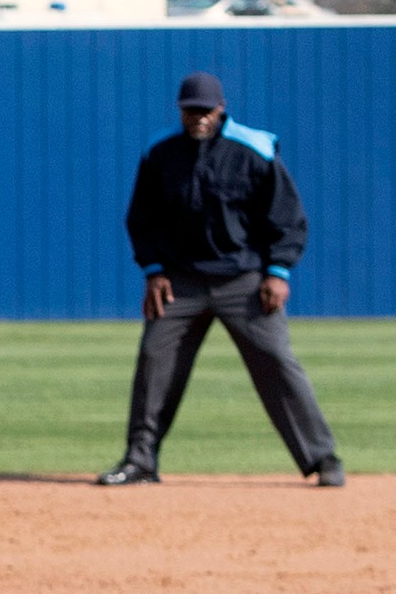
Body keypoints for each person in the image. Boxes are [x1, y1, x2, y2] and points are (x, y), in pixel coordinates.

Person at [98, 72, 343, 488]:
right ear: (180, 110)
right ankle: (140, 461)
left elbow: (287, 219)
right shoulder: (161, 152)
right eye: (190, 110)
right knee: (154, 364)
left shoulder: (255, 149)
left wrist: (278, 272)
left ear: (221, 109)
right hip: (179, 282)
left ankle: (323, 459)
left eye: (205, 111)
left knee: (278, 364)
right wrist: (152, 271)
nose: (198, 118)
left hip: (243, 281)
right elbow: (141, 219)